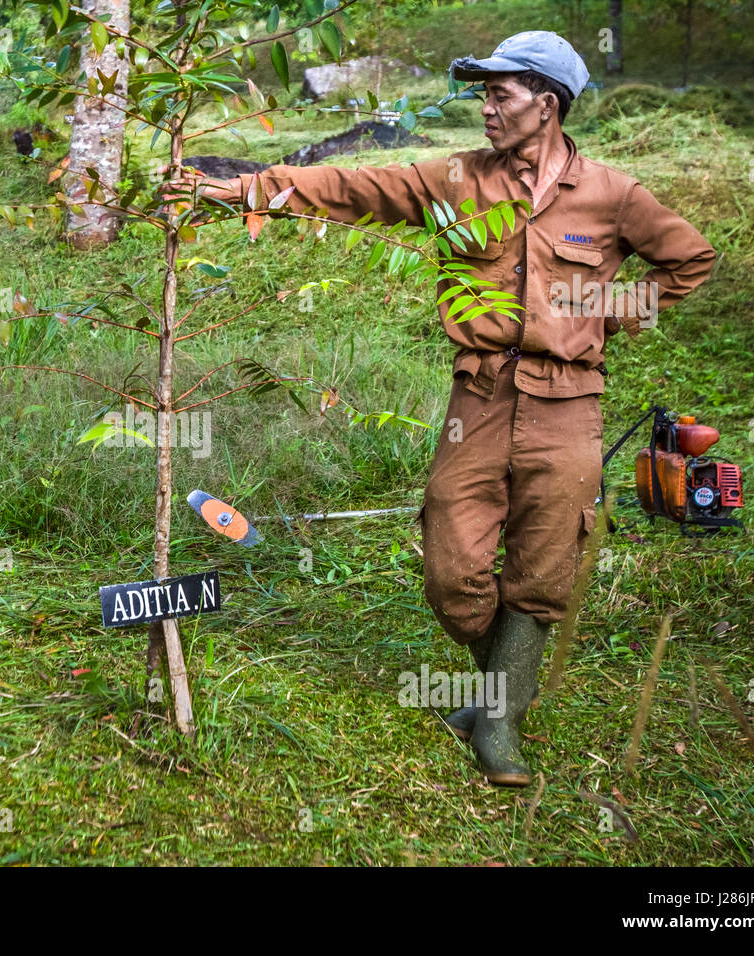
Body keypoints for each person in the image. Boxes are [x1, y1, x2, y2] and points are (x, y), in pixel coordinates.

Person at [182, 31, 716, 785]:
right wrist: (251, 187)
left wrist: (599, 311)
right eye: (485, 92)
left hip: (570, 403)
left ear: (547, 103)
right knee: (452, 565)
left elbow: (689, 260)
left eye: (501, 94)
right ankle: (507, 685)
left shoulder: (612, 194)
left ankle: (497, 723)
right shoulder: (457, 179)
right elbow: (357, 189)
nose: (487, 107)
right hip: (482, 393)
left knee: (544, 561)